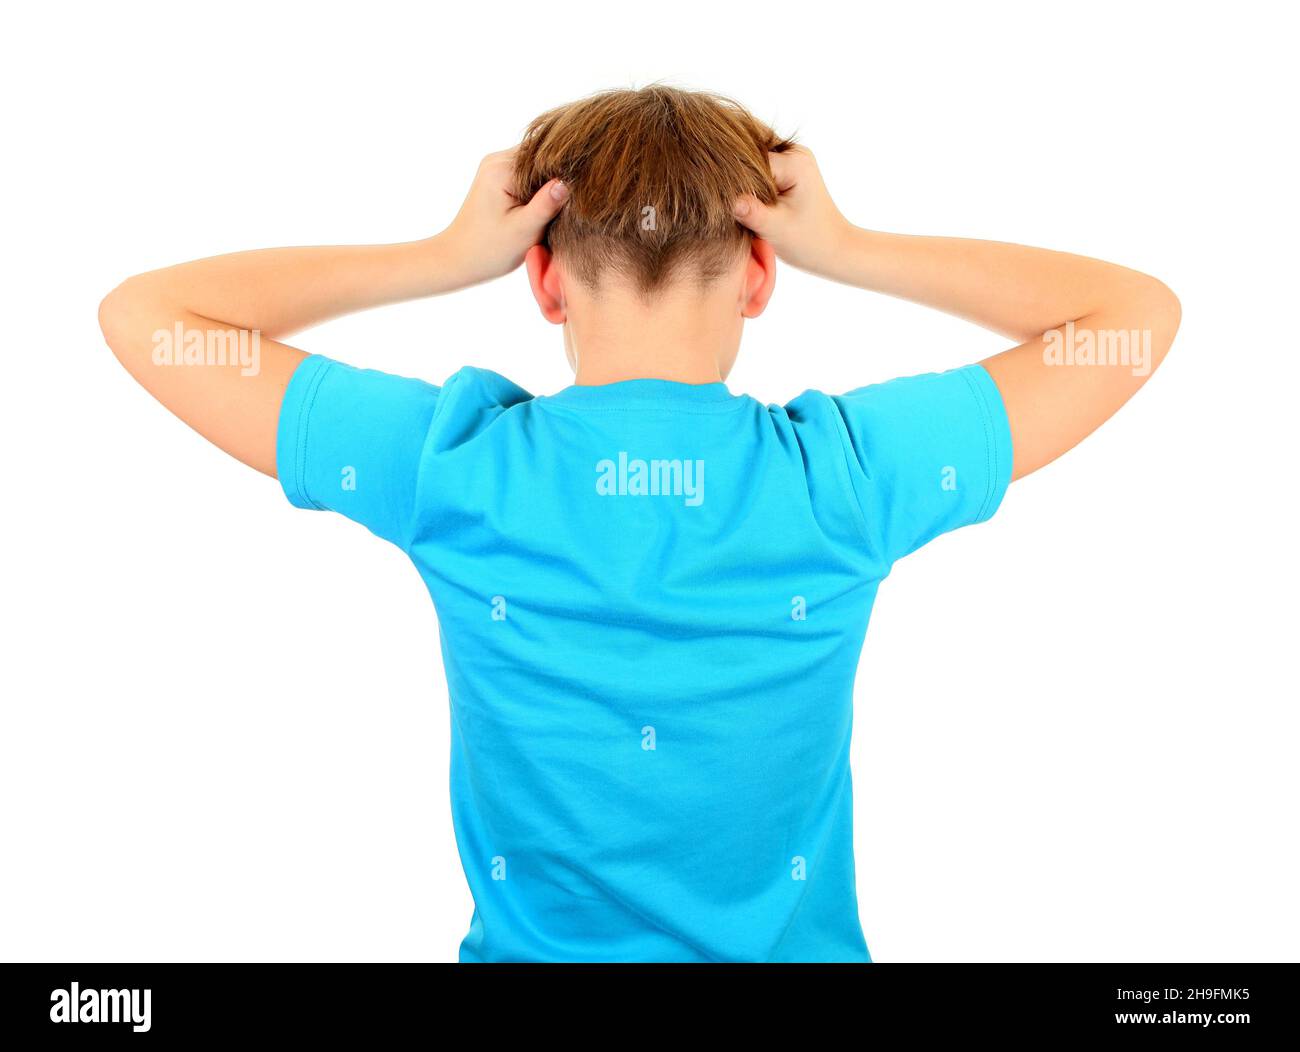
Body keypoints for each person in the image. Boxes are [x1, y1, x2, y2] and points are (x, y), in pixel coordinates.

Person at [98, 86, 1180, 962]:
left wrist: (436, 256)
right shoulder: (841, 476)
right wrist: (848, 247)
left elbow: (147, 320)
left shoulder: (455, 468)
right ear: (759, 273)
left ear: (542, 277)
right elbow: (1131, 324)